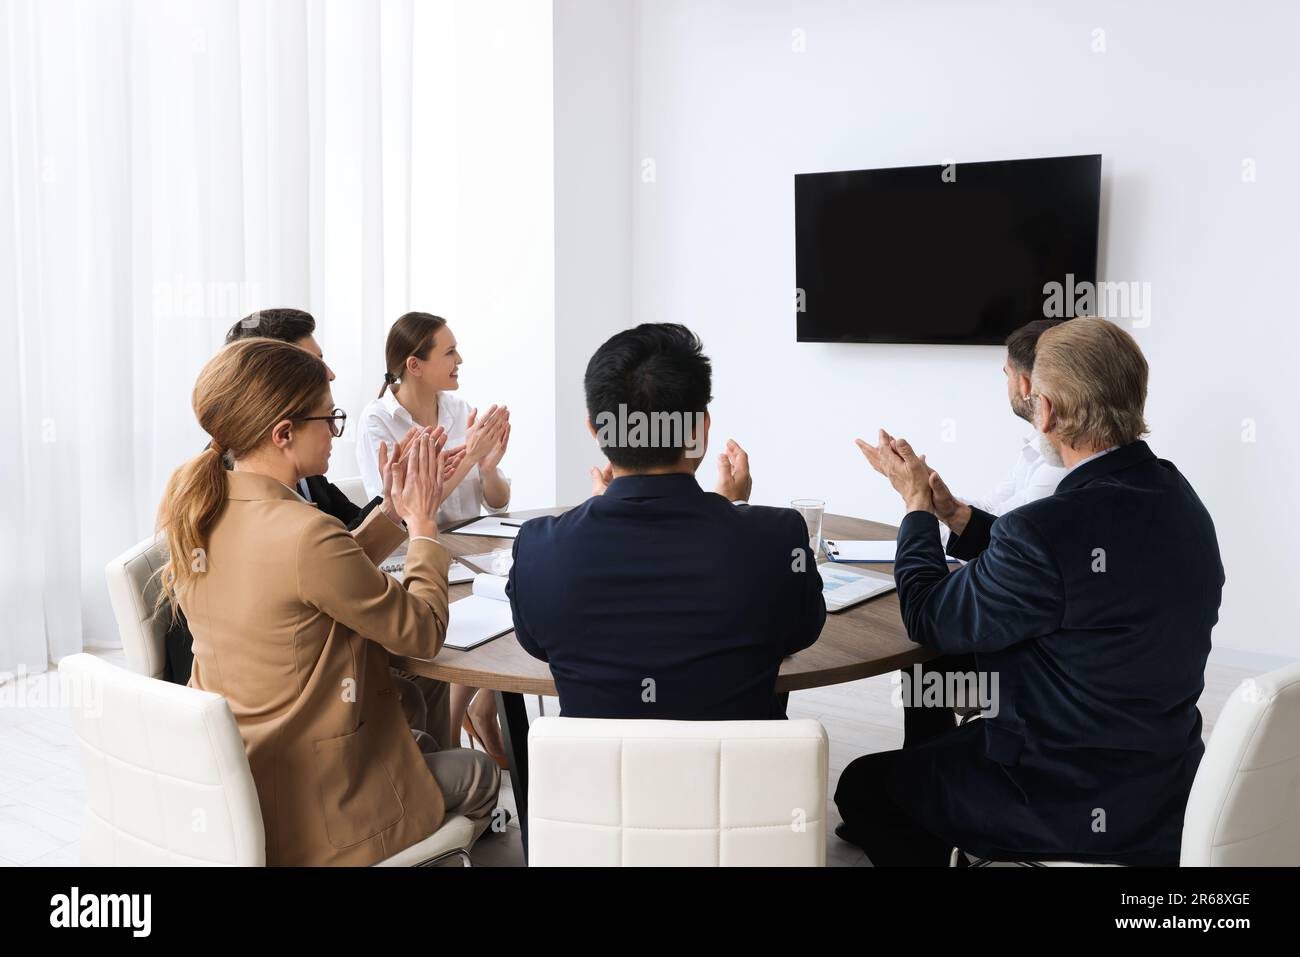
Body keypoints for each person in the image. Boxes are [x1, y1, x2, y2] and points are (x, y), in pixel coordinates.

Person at [835, 318, 1223, 866]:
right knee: (925, 752)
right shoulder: (1177, 497)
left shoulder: (1047, 528)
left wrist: (916, 507)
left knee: (860, 788)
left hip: (1057, 793)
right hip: (1164, 785)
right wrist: (956, 515)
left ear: (1044, 411)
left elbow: (928, 615)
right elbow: (1069, 571)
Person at [156, 338, 499, 865]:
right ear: (283, 434)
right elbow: (425, 632)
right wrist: (424, 523)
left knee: (422, 747)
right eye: (328, 418)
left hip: (246, 781)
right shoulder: (304, 532)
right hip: (319, 809)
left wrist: (394, 510)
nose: (336, 431)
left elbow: (322, 569)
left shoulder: (200, 510)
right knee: (479, 774)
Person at [506, 323, 826, 719]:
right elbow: (799, 633)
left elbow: (537, 644)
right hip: (740, 779)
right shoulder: (778, 538)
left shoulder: (539, 546)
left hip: (595, 780)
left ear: (595, 428)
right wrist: (734, 512)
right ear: (701, 429)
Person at [355, 311, 512, 766]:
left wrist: (487, 466)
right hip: (416, 553)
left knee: (519, 589)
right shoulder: (378, 421)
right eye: (449, 351)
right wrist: (470, 457)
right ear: (414, 365)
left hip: (471, 546)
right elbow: (405, 512)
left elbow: (498, 502)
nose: (459, 359)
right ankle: (465, 718)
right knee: (472, 618)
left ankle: (473, 707)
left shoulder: (459, 410)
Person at [963, 318, 1069, 516]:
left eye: (1007, 374)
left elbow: (998, 528)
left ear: (1025, 385)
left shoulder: (1062, 461)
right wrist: (930, 491)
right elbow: (988, 508)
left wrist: (918, 498)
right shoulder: (1036, 444)